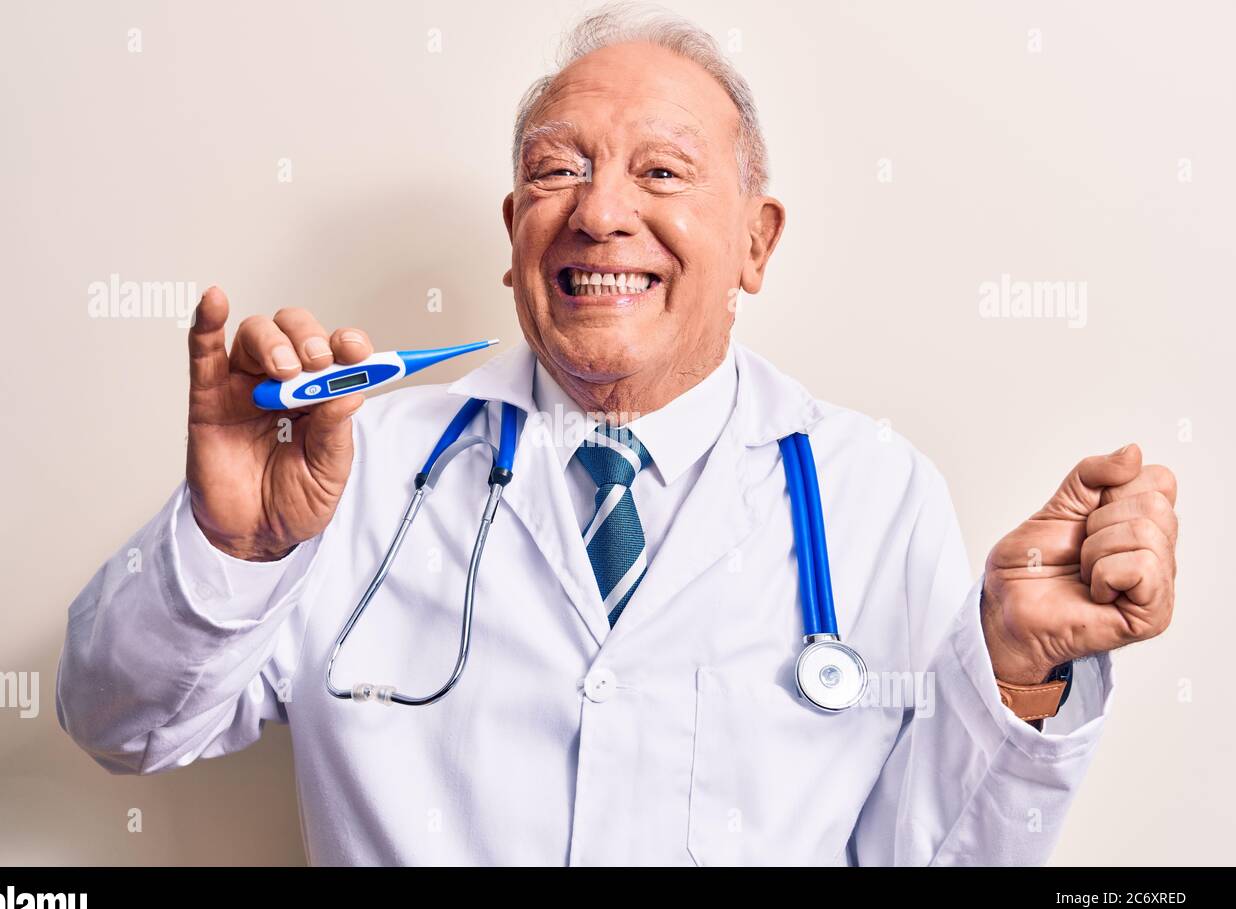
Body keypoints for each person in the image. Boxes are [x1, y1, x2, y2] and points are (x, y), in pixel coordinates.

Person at [57, 3, 1178, 865]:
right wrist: (230, 546)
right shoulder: (351, 468)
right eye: (556, 169)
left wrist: (1020, 676)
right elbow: (121, 726)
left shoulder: (874, 493)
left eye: (661, 171)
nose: (598, 210)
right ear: (513, 235)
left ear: (756, 240)